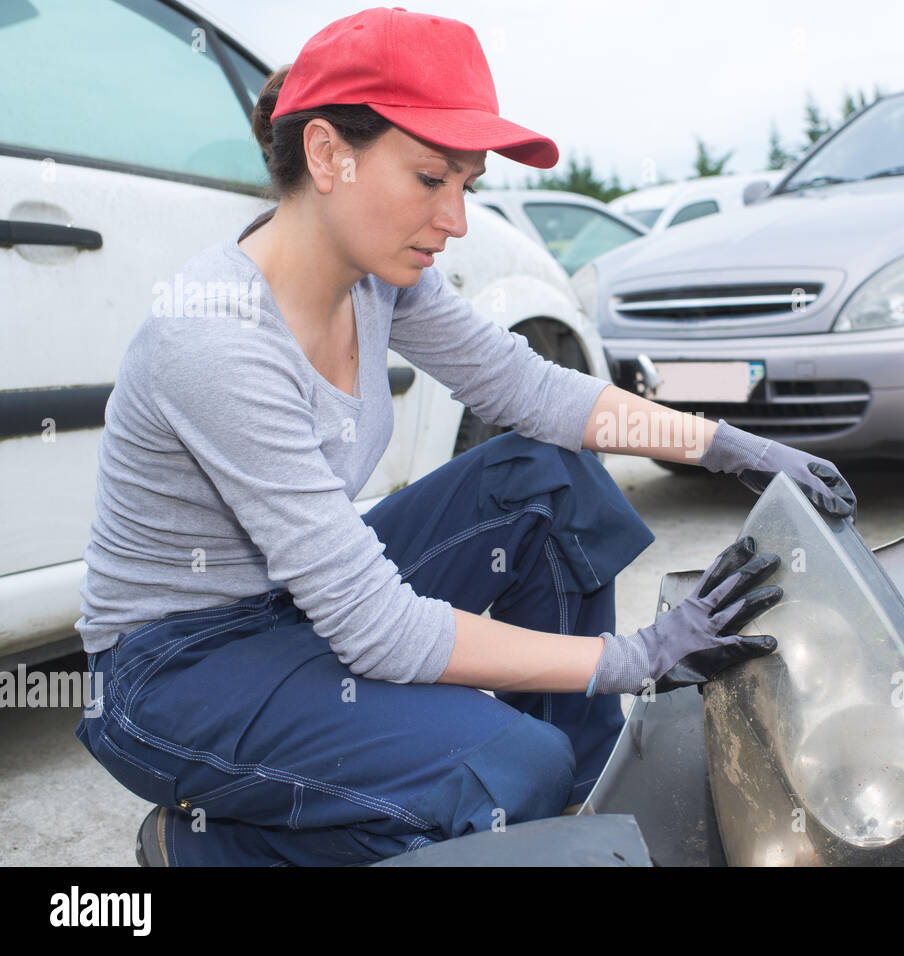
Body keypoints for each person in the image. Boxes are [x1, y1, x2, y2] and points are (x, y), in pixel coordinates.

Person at [72, 7, 858, 867]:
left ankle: (574, 805)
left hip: (297, 605)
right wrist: (630, 657)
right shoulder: (216, 339)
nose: (455, 219)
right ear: (329, 154)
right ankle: (218, 853)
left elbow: (529, 388)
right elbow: (376, 628)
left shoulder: (380, 280)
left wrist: (727, 445)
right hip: (178, 671)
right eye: (429, 179)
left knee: (547, 480)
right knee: (501, 770)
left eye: (467, 185)